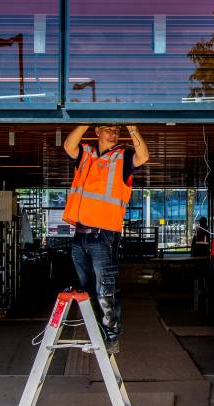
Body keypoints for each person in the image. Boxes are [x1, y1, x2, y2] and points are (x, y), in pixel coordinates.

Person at [63, 123, 150, 354]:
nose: (114, 133)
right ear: (97, 132)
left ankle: (111, 338)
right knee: (87, 291)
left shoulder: (123, 157)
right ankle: (97, 336)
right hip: (80, 235)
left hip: (104, 235)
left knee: (105, 290)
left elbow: (143, 156)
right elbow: (68, 145)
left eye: (116, 130)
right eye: (108, 129)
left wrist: (133, 129)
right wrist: (85, 120)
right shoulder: (86, 154)